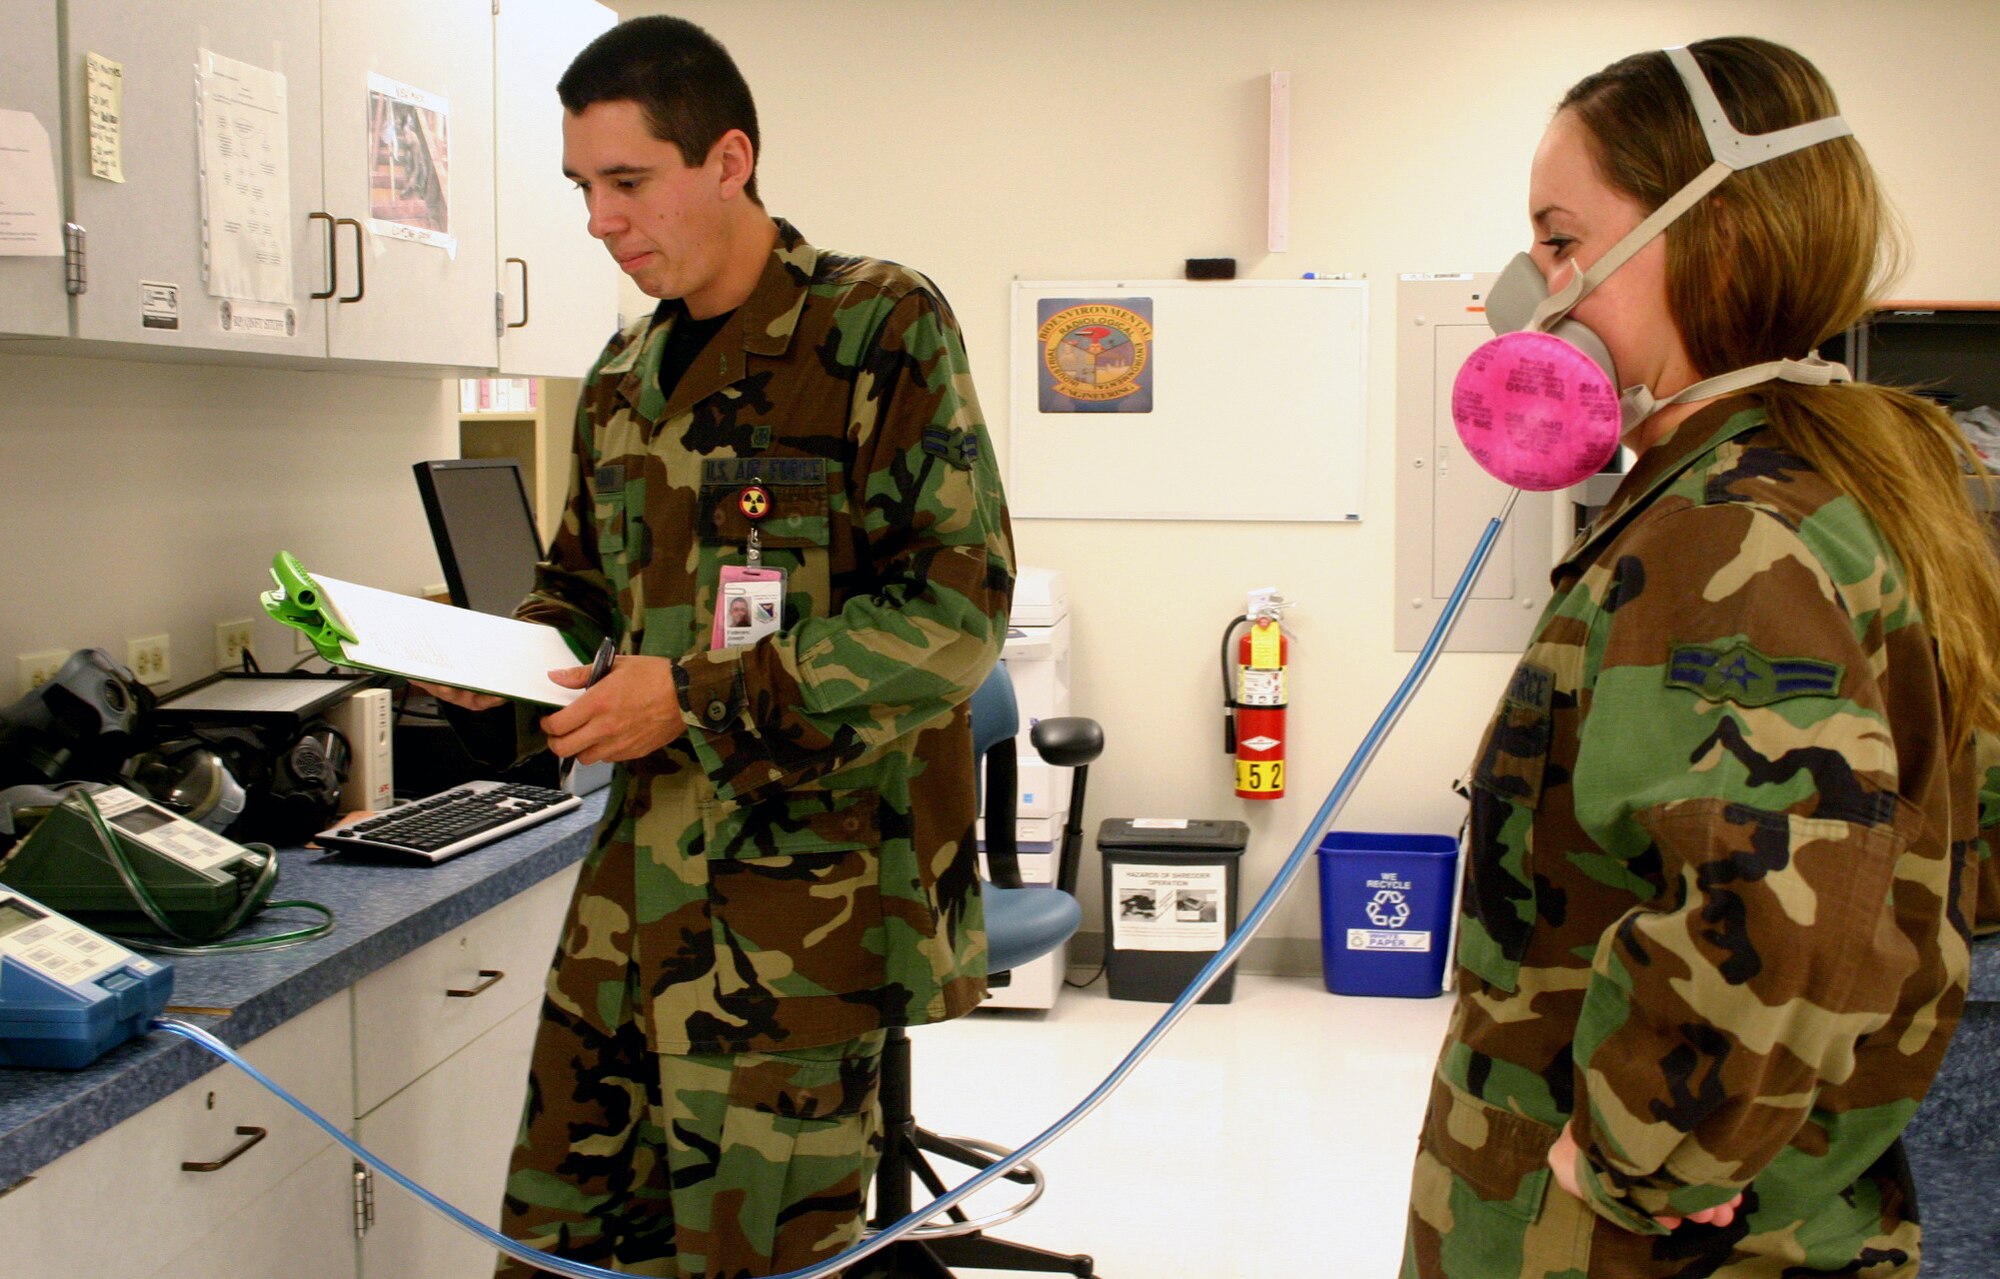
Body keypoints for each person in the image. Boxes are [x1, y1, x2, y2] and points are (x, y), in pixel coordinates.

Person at [422, 15, 1013, 1277]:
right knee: (560, 1246)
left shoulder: (875, 327)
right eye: (583, 189)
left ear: (729, 159)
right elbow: (580, 590)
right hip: (628, 907)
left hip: (795, 924)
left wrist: (686, 698)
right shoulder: (623, 375)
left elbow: (953, 620)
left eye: (628, 182)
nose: (600, 220)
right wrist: (493, 662)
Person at [1403, 37, 2000, 1279]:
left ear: (1717, 241)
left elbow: (1771, 905)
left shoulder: (1727, 533)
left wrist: (1639, 1157)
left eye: (1562, 242)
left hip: (1637, 1239)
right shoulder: (1852, 482)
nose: (1534, 293)